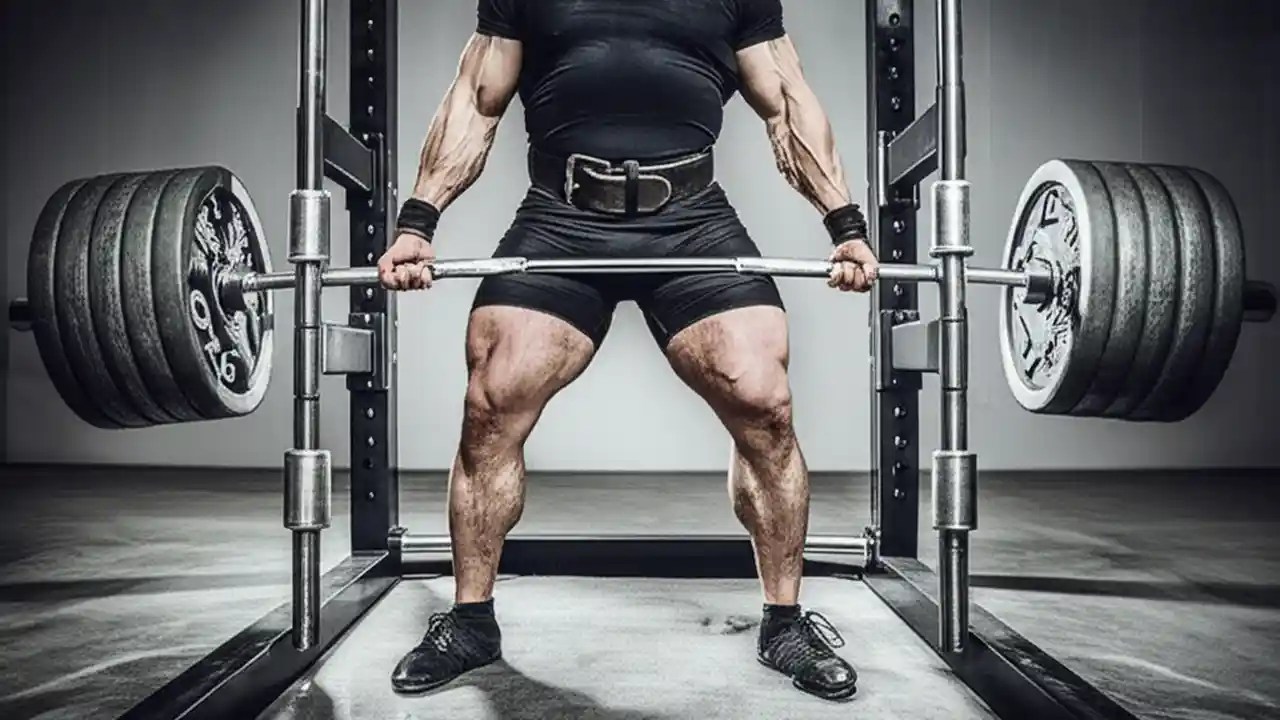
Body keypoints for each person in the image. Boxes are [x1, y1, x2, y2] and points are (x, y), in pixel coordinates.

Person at [378, 0, 879, 703]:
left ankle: (785, 622)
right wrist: (418, 222)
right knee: (491, 404)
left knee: (765, 405)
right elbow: (476, 99)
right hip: (561, 218)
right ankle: (471, 622)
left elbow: (788, 104)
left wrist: (845, 225)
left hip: (691, 221)